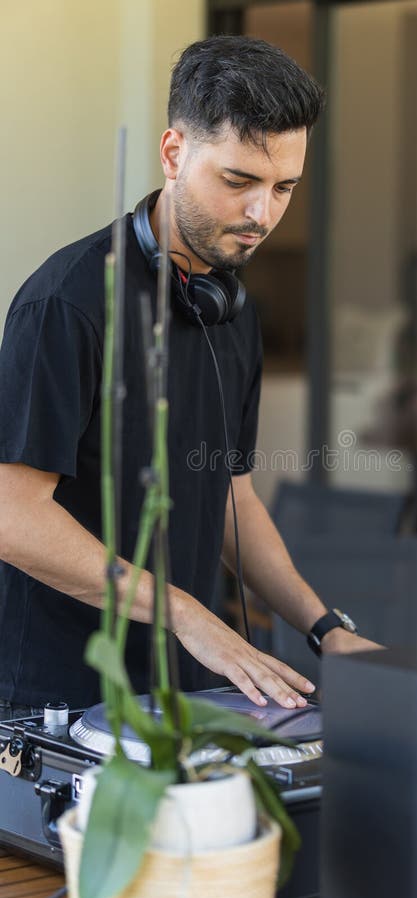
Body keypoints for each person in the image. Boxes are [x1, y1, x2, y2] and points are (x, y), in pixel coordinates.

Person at [0, 36, 379, 721]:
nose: (261, 214)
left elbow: (236, 500)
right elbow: (11, 515)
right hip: (53, 703)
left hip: (181, 693)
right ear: (174, 154)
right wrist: (183, 610)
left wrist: (325, 629)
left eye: (283, 188)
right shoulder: (67, 304)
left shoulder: (232, 312)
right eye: (238, 181)